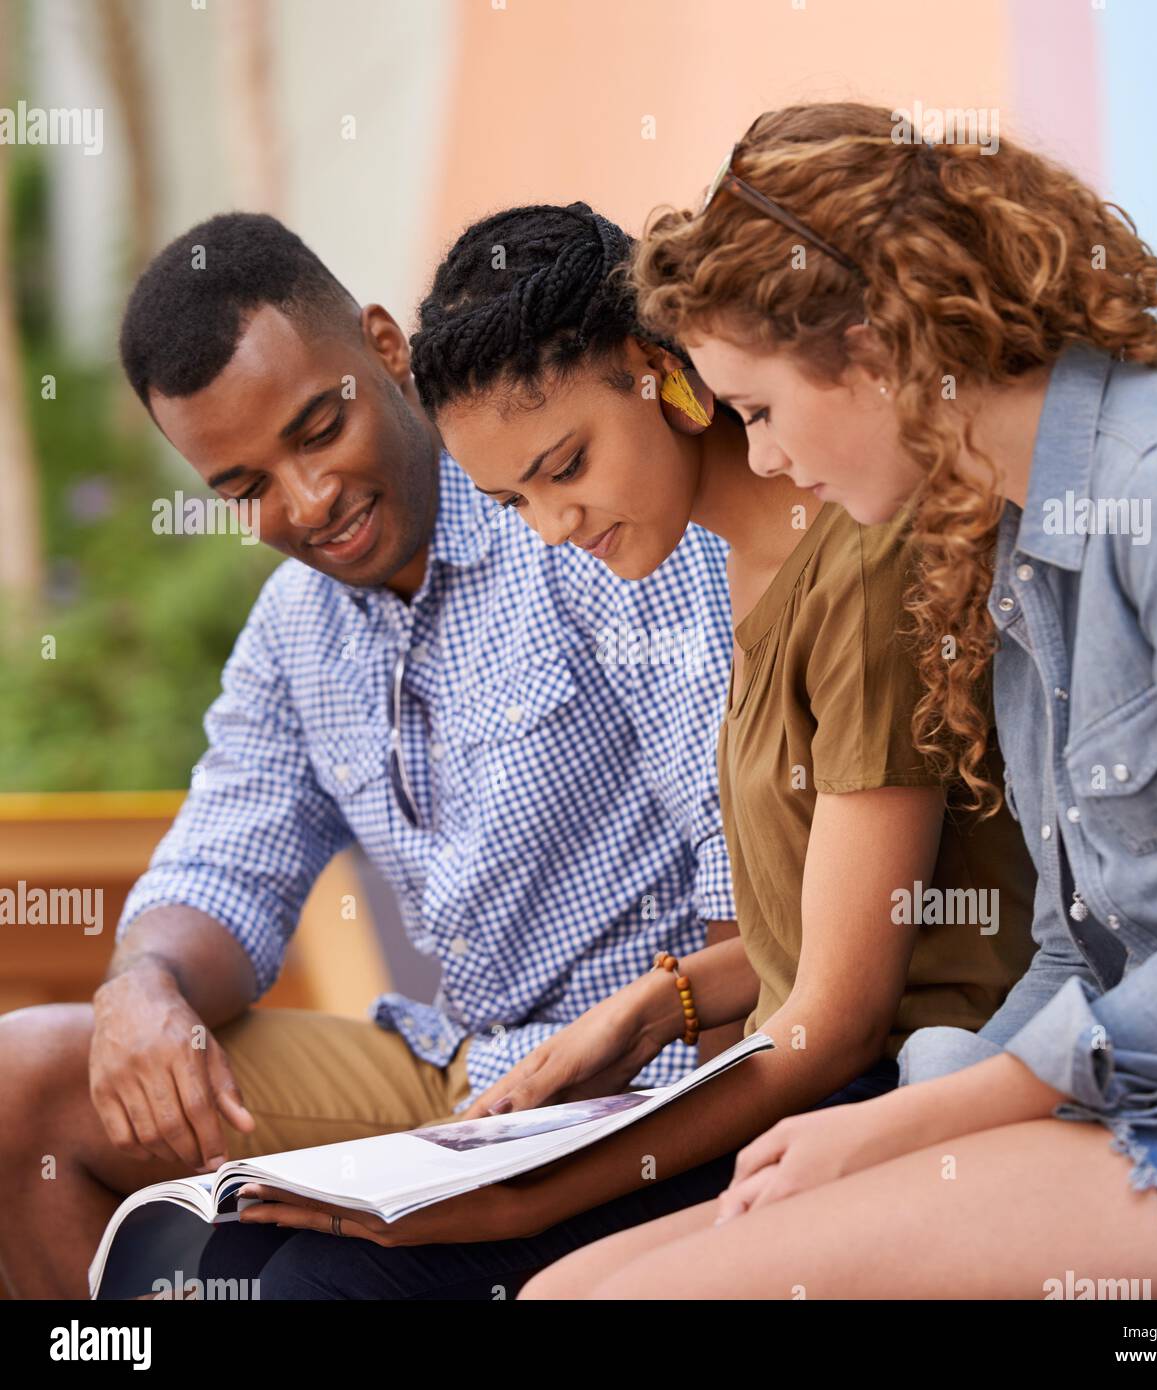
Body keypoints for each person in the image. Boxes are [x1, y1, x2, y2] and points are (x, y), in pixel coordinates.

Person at [520, 102, 1157, 1299]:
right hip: (1137, 1103)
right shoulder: (1011, 535)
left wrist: (910, 1126)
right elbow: (1069, 950)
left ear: (876, 347)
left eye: (759, 411)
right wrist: (928, 1116)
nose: (765, 460)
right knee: (565, 1289)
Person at [225, 201, 1035, 1298]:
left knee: (338, 1287)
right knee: (262, 1260)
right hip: (802, 1078)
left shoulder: (850, 562)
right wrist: (657, 1006)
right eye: (515, 502)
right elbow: (816, 929)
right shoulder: (742, 569)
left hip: (895, 1092)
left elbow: (838, 1019)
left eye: (567, 465)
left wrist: (508, 1199)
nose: (555, 525)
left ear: (664, 371)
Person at [0, 212, 741, 1300]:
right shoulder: (295, 633)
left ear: (384, 349)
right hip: (459, 1073)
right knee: (26, 1088)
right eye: (246, 487)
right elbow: (223, 870)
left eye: (315, 432)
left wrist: (661, 1033)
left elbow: (758, 903)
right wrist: (141, 987)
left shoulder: (584, 519)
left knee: (293, 1284)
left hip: (643, 1072)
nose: (305, 504)